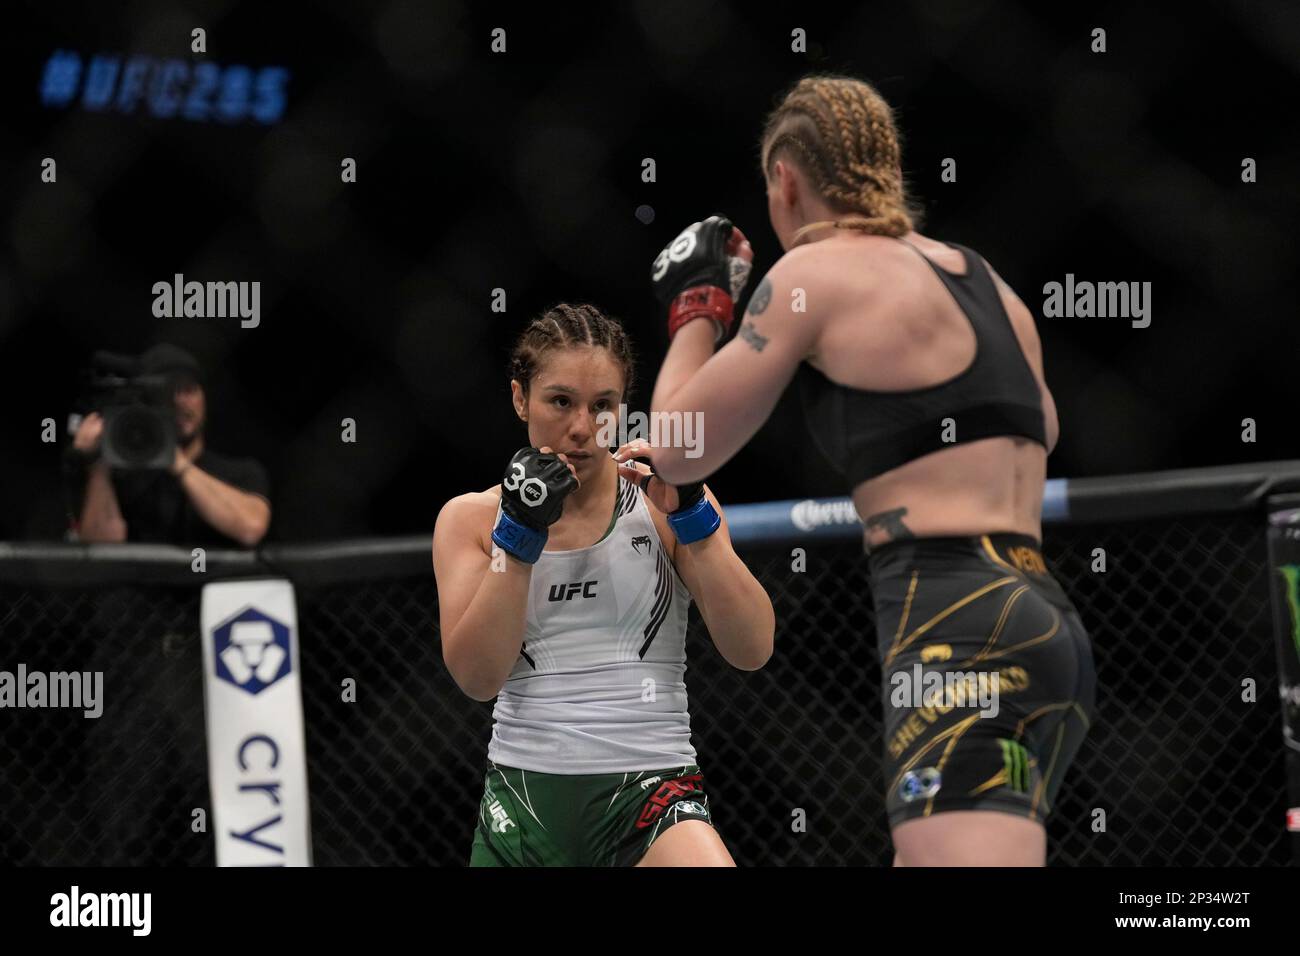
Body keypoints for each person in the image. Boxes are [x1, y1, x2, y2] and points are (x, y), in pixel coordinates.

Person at [641, 75, 1096, 866]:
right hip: (1046, 624)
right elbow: (1044, 429)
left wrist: (696, 312)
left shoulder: (814, 276)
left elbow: (675, 450)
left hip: (952, 620)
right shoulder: (989, 284)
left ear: (786, 180)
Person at [431, 303, 774, 866]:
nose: (582, 428)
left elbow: (753, 648)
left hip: (653, 795)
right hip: (523, 806)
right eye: (561, 401)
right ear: (520, 398)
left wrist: (696, 521)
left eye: (602, 406)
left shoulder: (664, 503)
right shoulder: (470, 520)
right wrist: (518, 537)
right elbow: (477, 677)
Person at [67, 343, 271, 547]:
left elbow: (250, 528)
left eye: (188, 390)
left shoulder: (241, 473)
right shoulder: (124, 479)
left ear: (204, 397)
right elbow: (101, 548)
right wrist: (98, 465)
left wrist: (176, 461)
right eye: (166, 392)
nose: (179, 402)